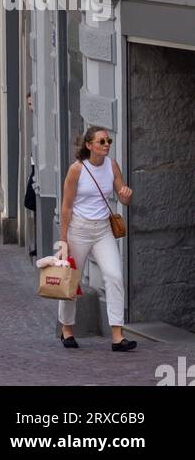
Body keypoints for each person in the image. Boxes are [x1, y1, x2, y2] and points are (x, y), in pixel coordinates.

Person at [58, 125, 135, 352]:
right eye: (101, 142)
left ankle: (117, 335)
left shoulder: (112, 166)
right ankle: (67, 329)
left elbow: (124, 198)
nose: (107, 145)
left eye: (108, 141)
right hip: (79, 230)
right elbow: (66, 206)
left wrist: (126, 195)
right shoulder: (77, 170)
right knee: (71, 281)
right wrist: (63, 240)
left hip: (103, 230)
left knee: (114, 276)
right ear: (89, 145)